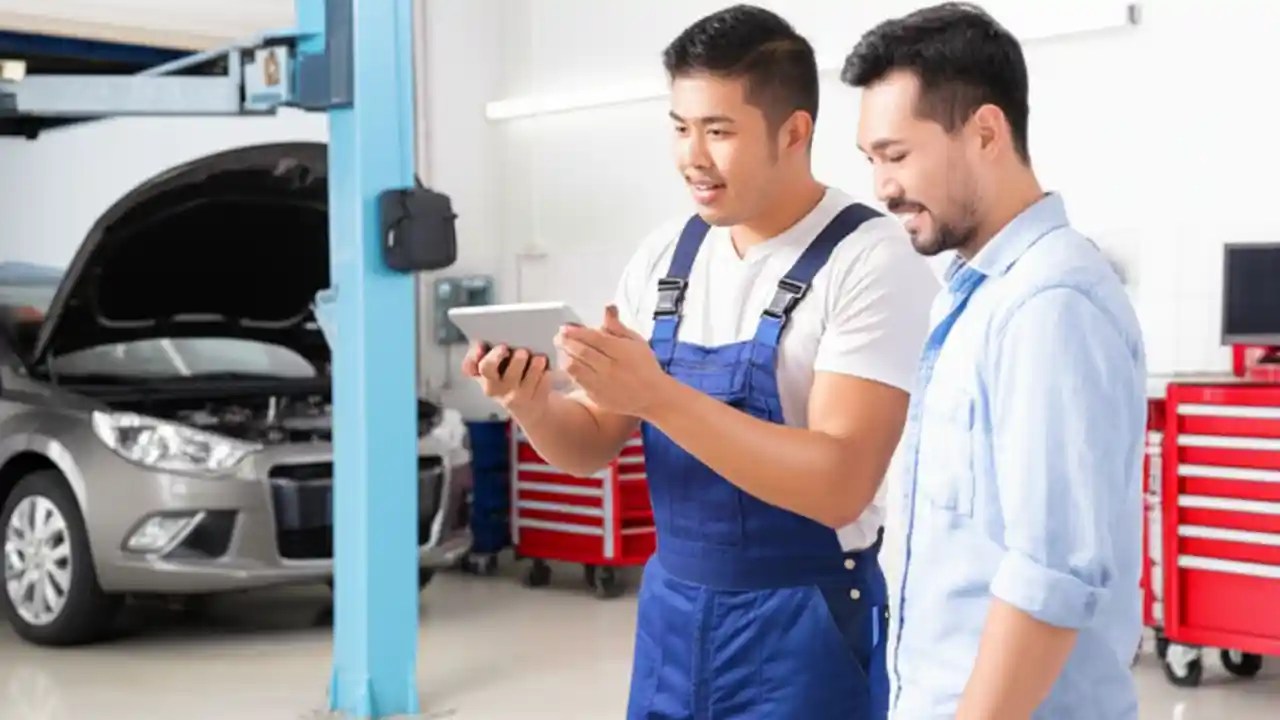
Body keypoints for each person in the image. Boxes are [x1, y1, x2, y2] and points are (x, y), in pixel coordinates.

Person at [462, 5, 936, 717]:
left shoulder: (869, 260)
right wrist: (530, 401)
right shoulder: (666, 256)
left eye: (719, 131)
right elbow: (592, 445)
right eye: (681, 128)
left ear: (794, 132)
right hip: (672, 620)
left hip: (805, 627)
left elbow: (840, 483)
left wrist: (657, 396)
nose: (693, 157)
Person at [842, 4, 1146, 719]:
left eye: (896, 155)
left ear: (985, 132)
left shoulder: (1050, 303)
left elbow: (1049, 579)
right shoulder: (976, 295)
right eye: (871, 161)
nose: (882, 187)